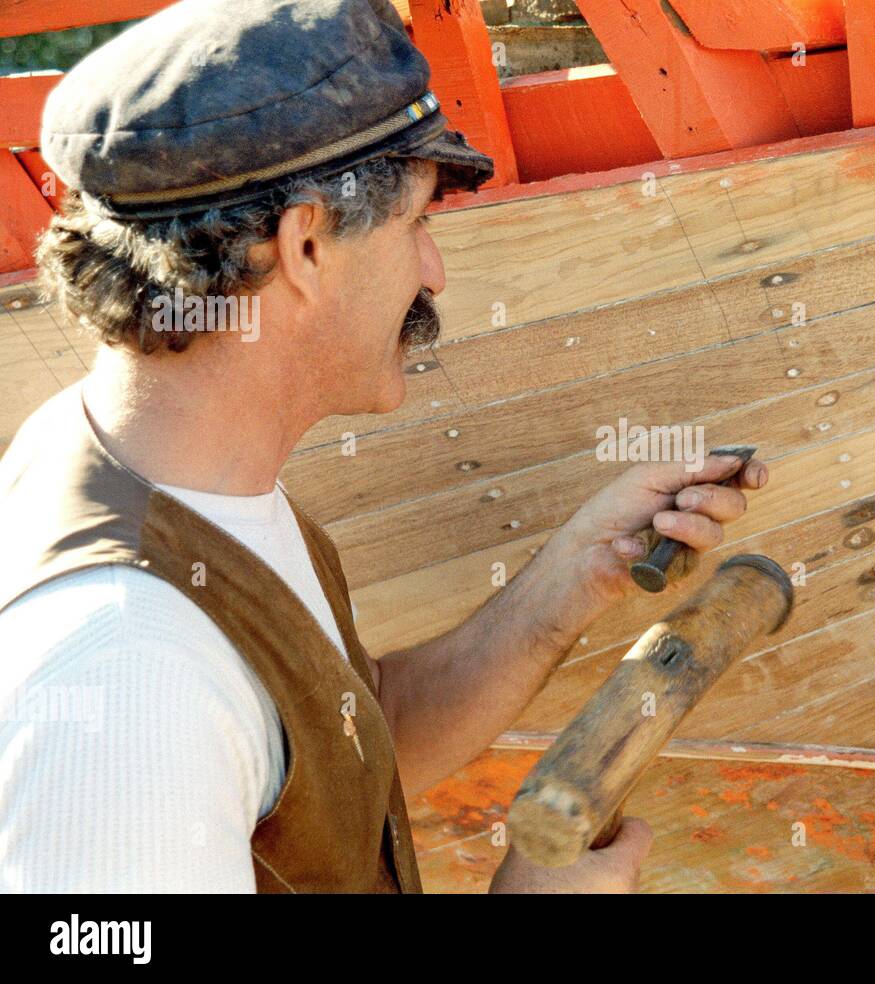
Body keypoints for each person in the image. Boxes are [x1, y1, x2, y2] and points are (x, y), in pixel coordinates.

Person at [0, 0, 766, 893]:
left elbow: (351, 743)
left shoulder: (146, 466)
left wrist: (577, 573)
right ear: (308, 246)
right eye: (416, 224)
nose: (433, 271)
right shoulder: (127, 678)